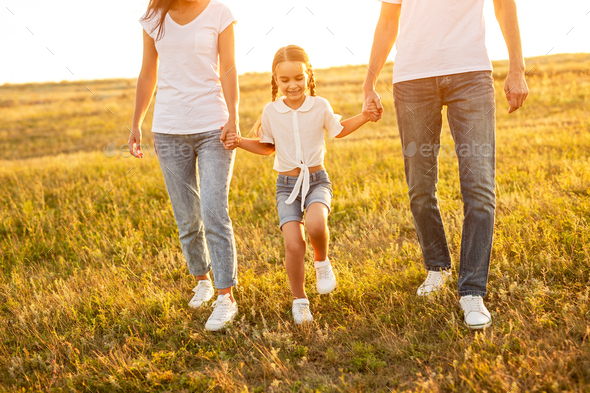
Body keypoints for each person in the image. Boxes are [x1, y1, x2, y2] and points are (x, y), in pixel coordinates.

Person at [363, 0, 529, 329]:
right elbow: (387, 21)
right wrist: (369, 83)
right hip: (412, 81)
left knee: (479, 187)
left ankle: (471, 291)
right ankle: (437, 267)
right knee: (420, 188)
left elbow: (504, 6)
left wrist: (517, 68)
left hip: (471, 75)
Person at [224, 45, 381, 324]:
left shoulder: (320, 106)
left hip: (317, 180)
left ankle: (322, 262)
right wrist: (239, 142)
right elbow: (267, 147)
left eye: (298, 77)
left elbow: (340, 129)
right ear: (275, 79)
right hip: (286, 187)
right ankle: (300, 300)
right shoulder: (271, 111)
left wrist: (366, 116)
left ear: (308, 74)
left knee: (316, 225)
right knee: (294, 244)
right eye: (284, 80)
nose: (292, 85)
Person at [129, 0, 241, 332]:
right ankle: (202, 280)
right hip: (168, 129)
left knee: (213, 210)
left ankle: (226, 298)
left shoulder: (220, 12)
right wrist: (136, 122)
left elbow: (229, 68)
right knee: (187, 216)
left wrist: (234, 116)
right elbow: (148, 72)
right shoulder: (153, 17)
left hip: (213, 128)